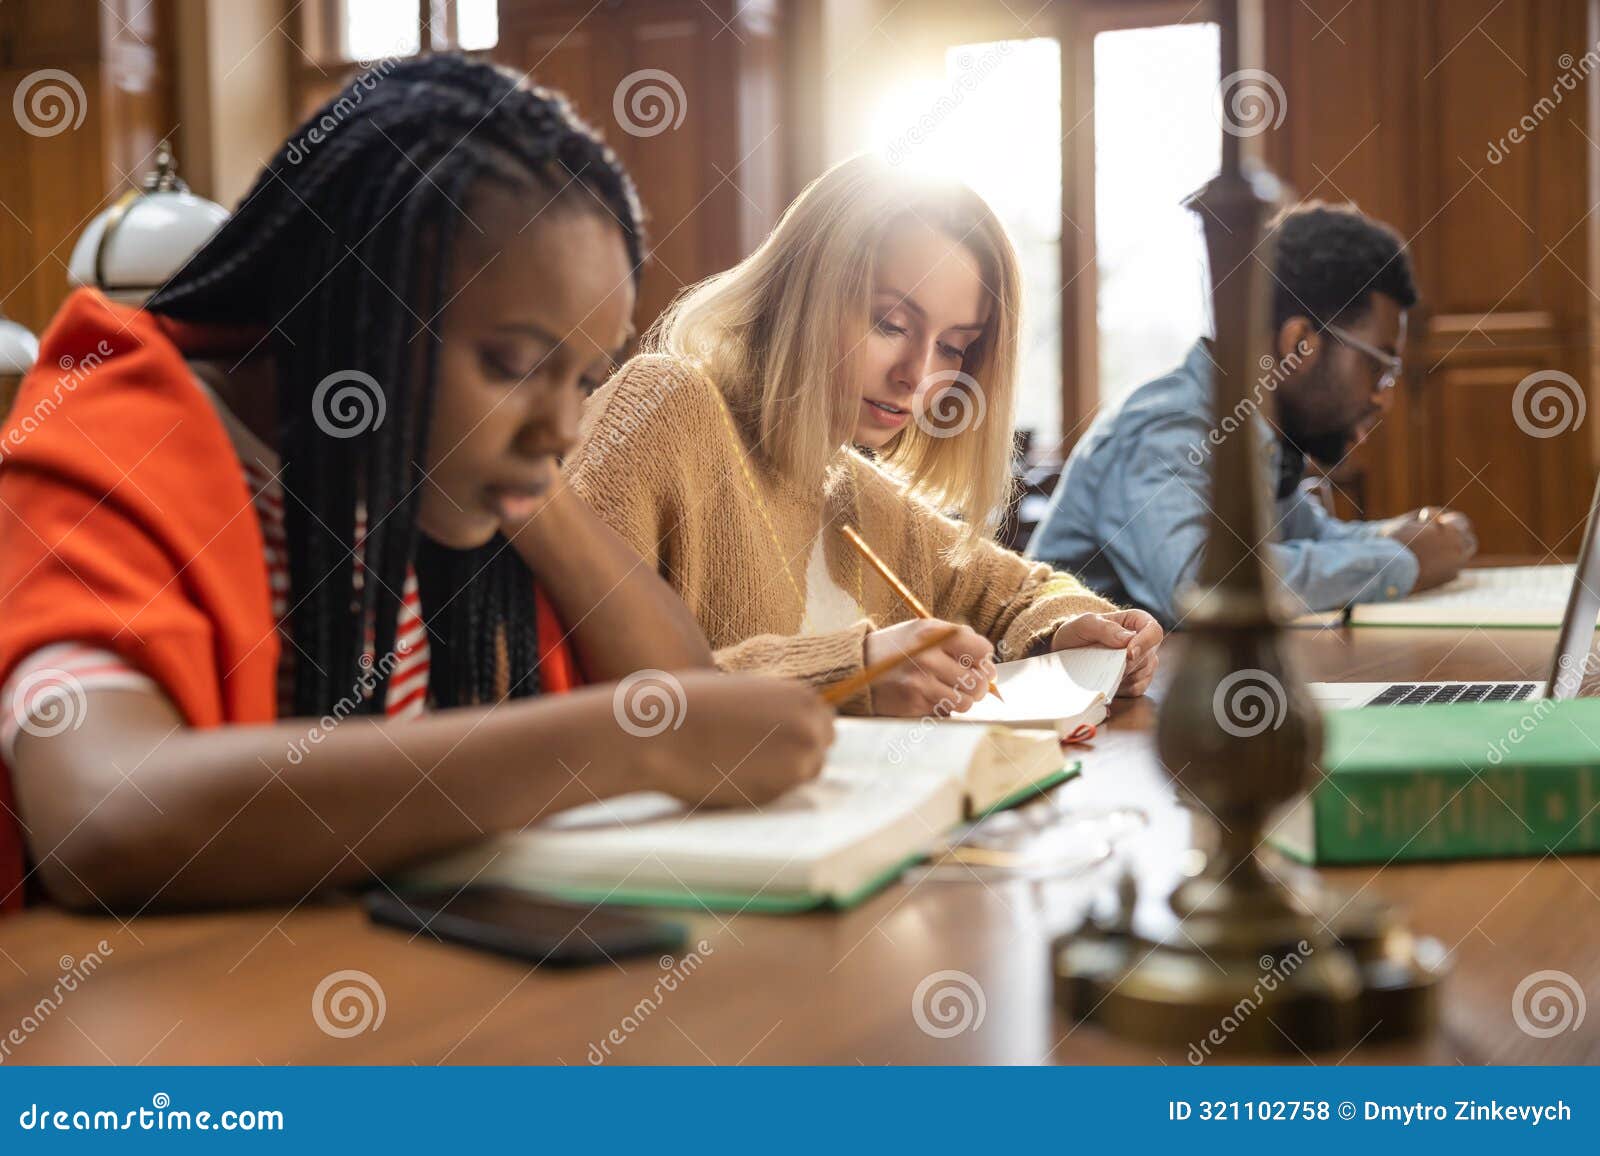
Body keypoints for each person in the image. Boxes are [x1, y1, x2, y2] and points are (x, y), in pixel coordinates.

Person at [0, 57, 831, 916]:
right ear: (358, 301)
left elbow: (685, 696)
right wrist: (624, 741)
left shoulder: (402, 464)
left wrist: (526, 476)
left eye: (585, 379)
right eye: (513, 362)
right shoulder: (108, 441)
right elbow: (105, 818)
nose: (565, 428)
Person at [565, 155, 1163, 718]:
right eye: (889, 323)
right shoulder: (663, 407)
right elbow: (577, 694)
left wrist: (1075, 630)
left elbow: (1025, 593)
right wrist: (846, 675)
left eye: (953, 346)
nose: (919, 376)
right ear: (801, 292)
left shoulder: (854, 489)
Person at [1028, 202, 1477, 628]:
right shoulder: (1168, 428)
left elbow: (1312, 540)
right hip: (1078, 686)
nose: (1384, 399)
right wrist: (1402, 560)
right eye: (1379, 367)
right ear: (1300, 343)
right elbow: (1199, 587)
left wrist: (1417, 537)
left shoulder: (1256, 435)